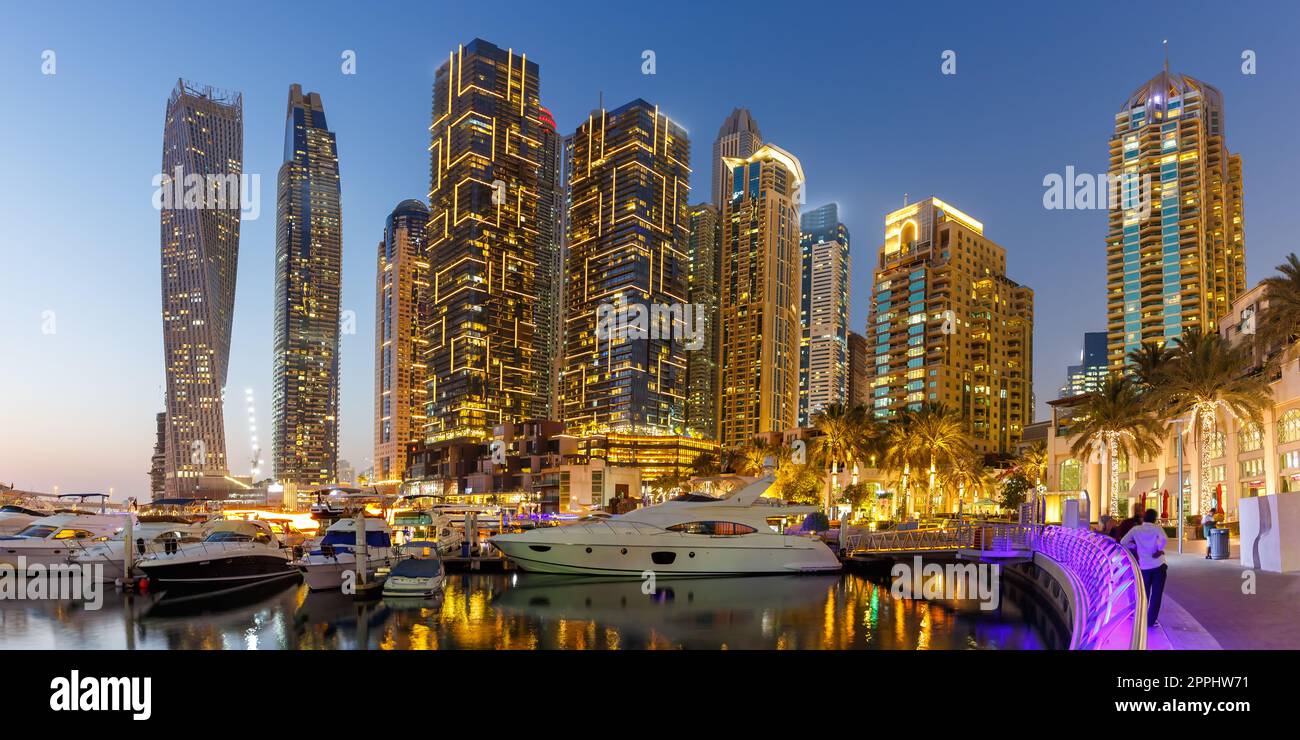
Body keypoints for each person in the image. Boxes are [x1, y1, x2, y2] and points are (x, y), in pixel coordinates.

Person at [1121, 509, 1168, 628]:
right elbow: (1164, 539)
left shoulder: (1136, 530)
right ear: (1155, 518)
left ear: (1144, 518)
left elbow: (1123, 541)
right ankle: (1151, 621)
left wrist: (1135, 546)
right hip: (1158, 565)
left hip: (1144, 566)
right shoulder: (1157, 528)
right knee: (1156, 594)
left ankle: (1141, 617)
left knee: (1143, 593)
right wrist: (1158, 549)